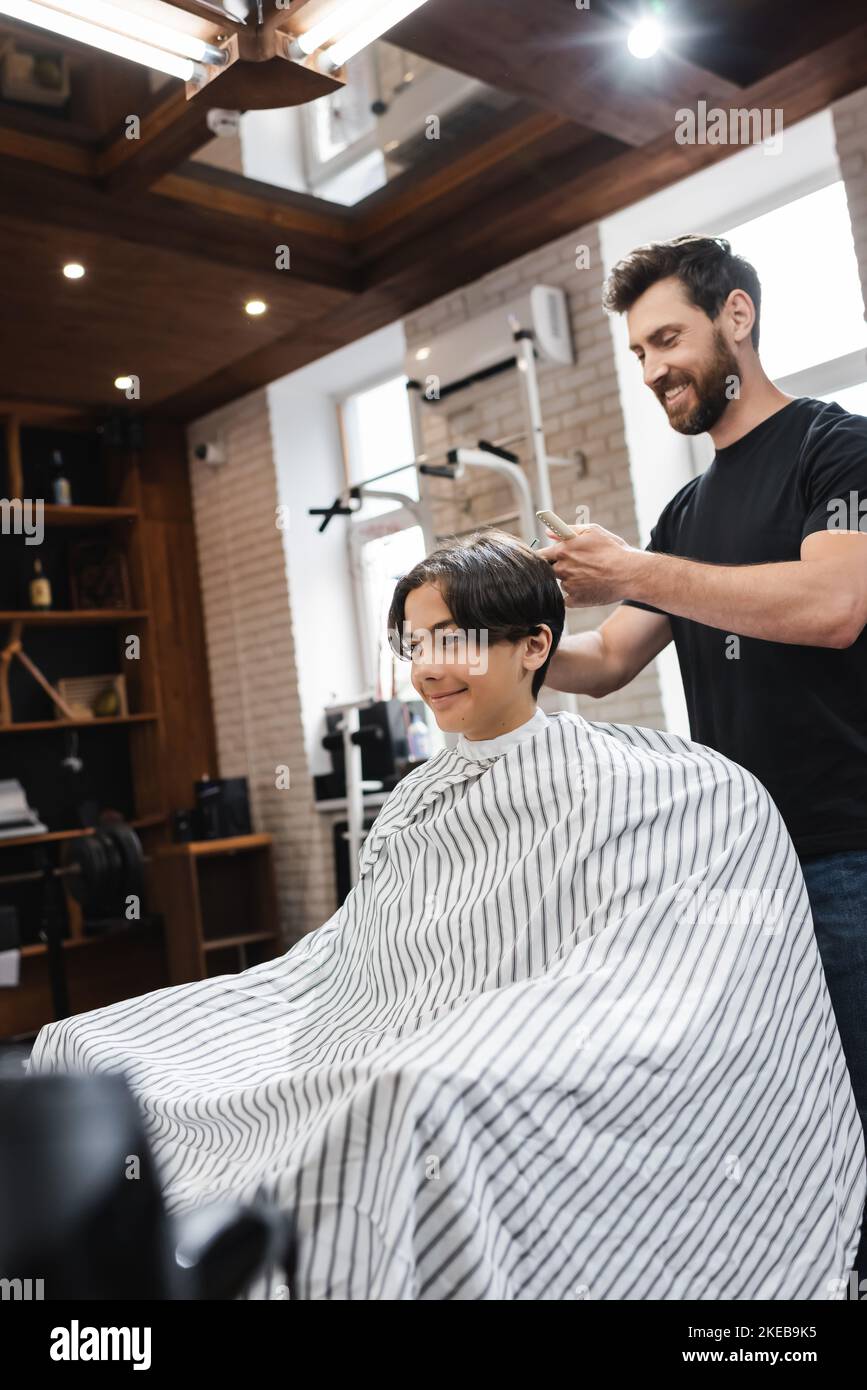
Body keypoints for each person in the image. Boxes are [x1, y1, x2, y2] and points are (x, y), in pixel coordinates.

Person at [28, 532, 864, 1299]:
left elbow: (649, 971)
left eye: (454, 640)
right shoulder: (417, 798)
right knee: (88, 1042)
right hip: (354, 1022)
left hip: (501, 1038)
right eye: (414, 643)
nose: (428, 668)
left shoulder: (658, 785)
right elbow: (353, 953)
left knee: (398, 1096)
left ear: (535, 644)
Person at [542, 235, 867, 1283]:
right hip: (743, 873)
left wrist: (638, 568)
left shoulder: (838, 449)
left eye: (667, 339)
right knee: (801, 1121)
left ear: (737, 318)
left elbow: (834, 606)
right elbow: (601, 663)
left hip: (851, 857)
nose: (651, 372)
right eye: (637, 352)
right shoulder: (687, 511)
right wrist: (493, 635)